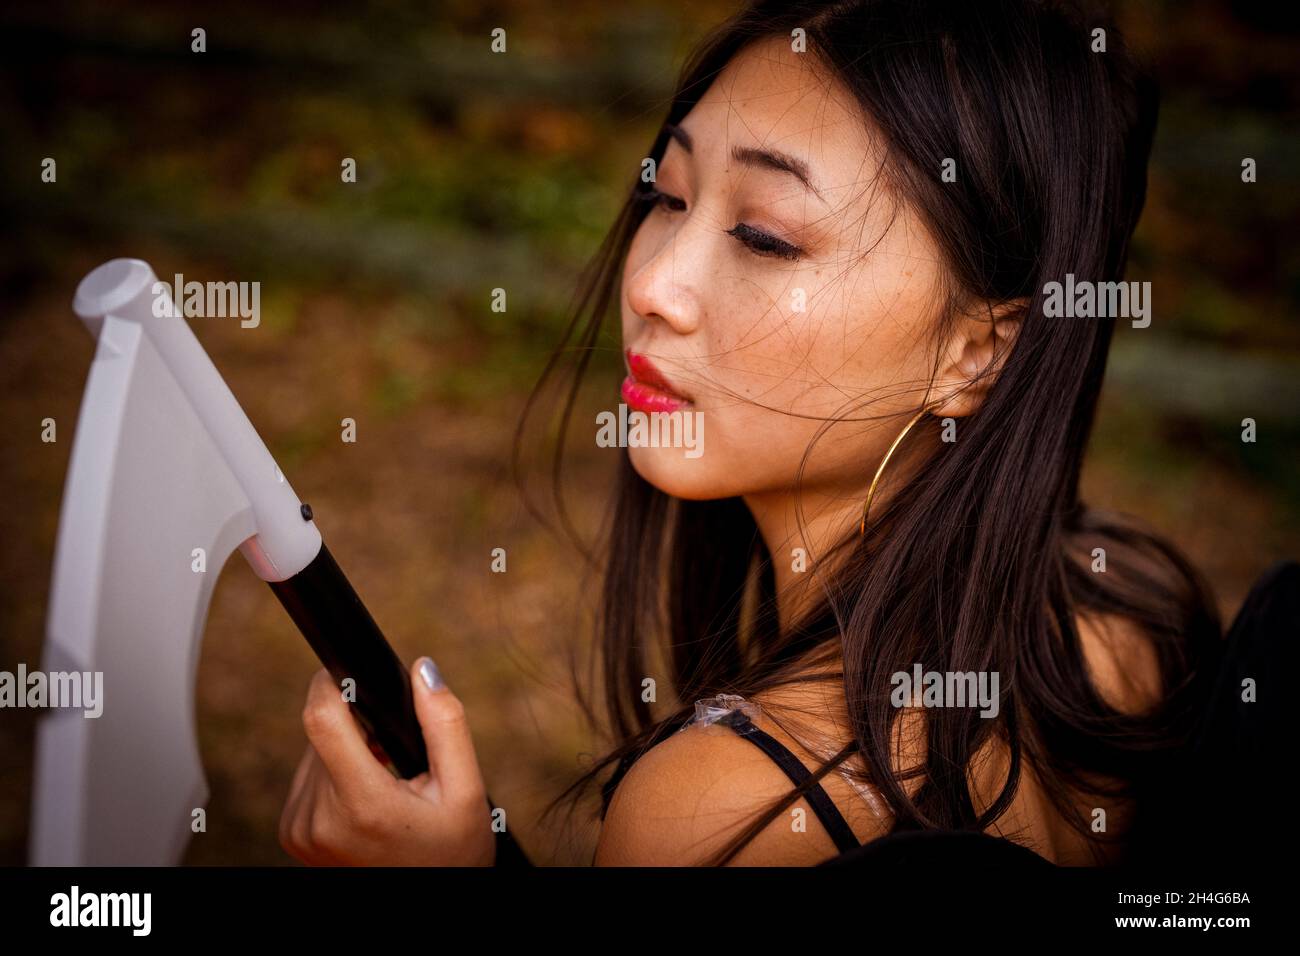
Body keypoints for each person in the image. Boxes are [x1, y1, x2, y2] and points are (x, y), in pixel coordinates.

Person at [278, 0, 1222, 867]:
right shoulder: (1129, 619)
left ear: (976, 353)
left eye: (766, 236)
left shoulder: (727, 814)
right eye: (671, 194)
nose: (651, 287)